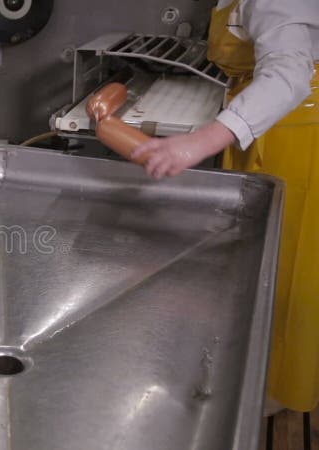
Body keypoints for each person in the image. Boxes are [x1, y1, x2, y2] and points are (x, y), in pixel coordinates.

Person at [132, 0, 319, 412]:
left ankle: (275, 389)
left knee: (288, 266)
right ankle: (260, 375)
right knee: (265, 261)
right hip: (264, 124)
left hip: (297, 135)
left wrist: (199, 142)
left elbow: (290, 76)